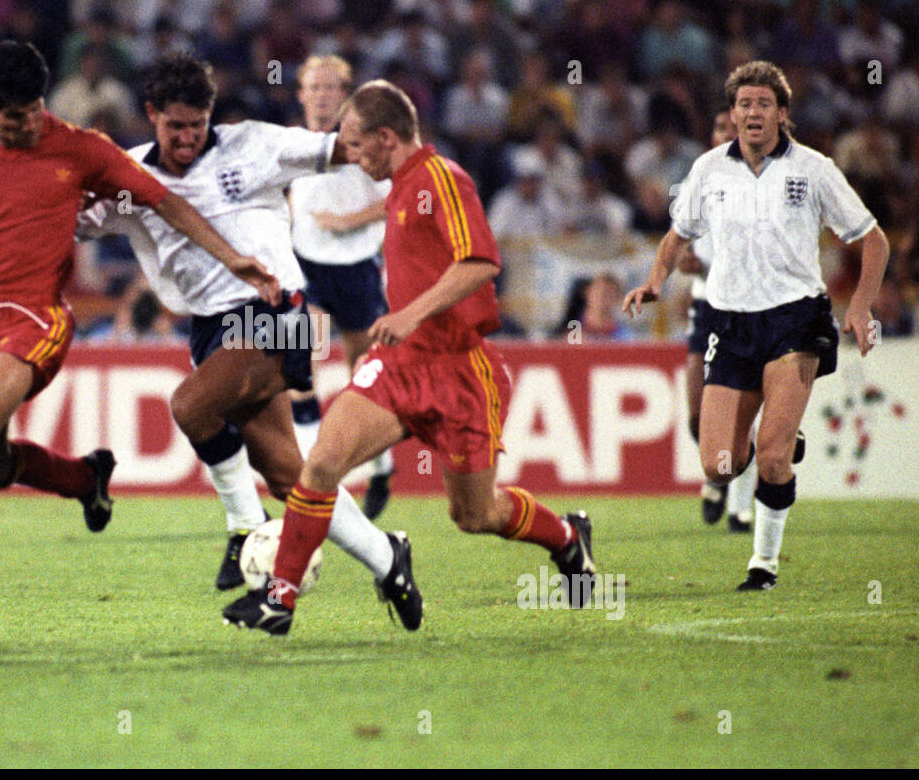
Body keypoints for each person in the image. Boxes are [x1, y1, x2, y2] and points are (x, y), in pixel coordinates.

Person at [0, 41, 277, 628]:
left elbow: (165, 203)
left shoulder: (82, 149)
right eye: (15, 117)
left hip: (36, 319)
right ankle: (85, 478)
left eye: (35, 109)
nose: (29, 123)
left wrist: (233, 257)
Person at [223, 79, 596, 636]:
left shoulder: (443, 179)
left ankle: (566, 538)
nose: (349, 155)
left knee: (475, 515)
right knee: (321, 463)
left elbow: (481, 263)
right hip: (398, 365)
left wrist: (409, 313)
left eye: (355, 143)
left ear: (387, 136)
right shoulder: (396, 187)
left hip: (460, 372)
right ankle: (280, 598)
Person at [80, 54, 412, 611]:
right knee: (289, 474)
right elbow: (71, 219)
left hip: (275, 312)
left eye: (197, 123)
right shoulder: (131, 175)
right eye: (174, 126)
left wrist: (391, 150)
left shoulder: (253, 145)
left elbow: (339, 150)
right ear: (151, 115)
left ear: (211, 113)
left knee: (189, 406)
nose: (187, 138)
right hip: (211, 327)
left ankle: (243, 527)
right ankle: (387, 558)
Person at [624, 61, 889, 591]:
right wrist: (655, 281)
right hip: (730, 322)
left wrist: (858, 308)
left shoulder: (813, 170)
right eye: (743, 104)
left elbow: (873, 240)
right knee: (719, 465)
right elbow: (677, 237)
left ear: (782, 114)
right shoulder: (708, 170)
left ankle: (762, 565)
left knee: (767, 458)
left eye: (763, 104)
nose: (751, 113)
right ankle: (785, 442)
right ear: (732, 112)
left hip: (796, 318)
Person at [286, 55, 394, 518]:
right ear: (301, 93)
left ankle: (382, 469)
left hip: (355, 267)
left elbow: (395, 196)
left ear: (345, 94)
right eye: (315, 86)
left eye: (332, 86)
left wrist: (348, 221)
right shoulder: (289, 145)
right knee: (297, 363)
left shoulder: (365, 143)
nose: (323, 94)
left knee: (362, 371)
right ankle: (314, 480)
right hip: (304, 265)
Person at [682, 107, 756, 532]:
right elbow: (679, 235)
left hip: (744, 307)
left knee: (742, 412)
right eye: (718, 126)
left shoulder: (761, 182)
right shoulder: (700, 177)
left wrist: (706, 266)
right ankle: (717, 475)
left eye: (733, 128)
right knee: (698, 415)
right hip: (705, 306)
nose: (725, 134)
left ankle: (740, 504)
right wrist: (684, 260)